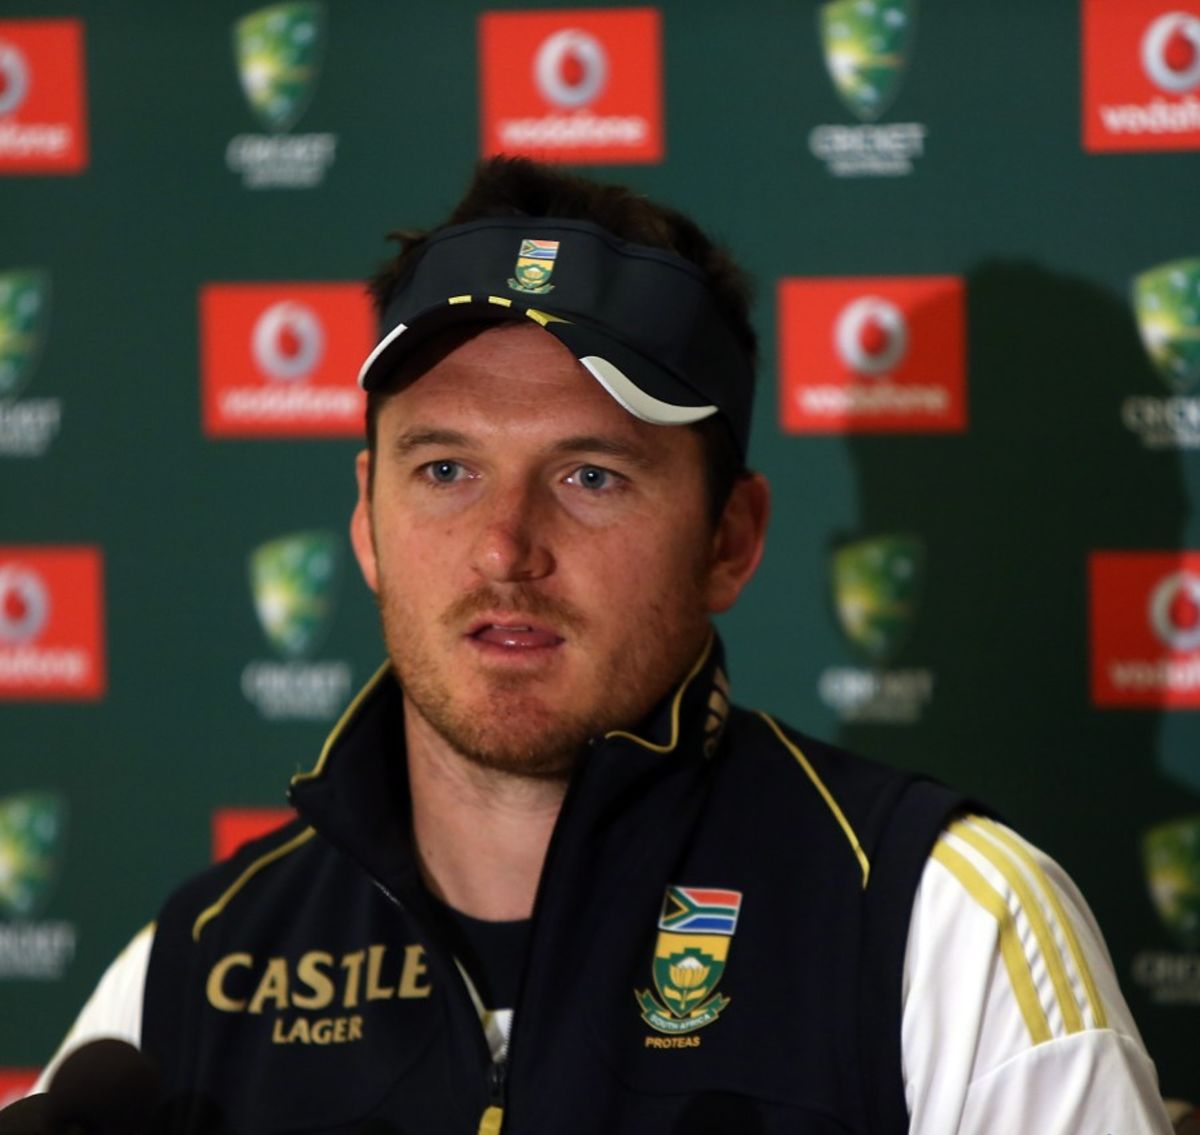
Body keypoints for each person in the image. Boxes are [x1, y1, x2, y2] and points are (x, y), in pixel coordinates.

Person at [22, 158, 1172, 1134]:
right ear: (368, 520)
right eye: (447, 470)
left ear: (731, 537)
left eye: (591, 475)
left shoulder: (945, 923)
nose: (504, 548)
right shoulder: (193, 977)